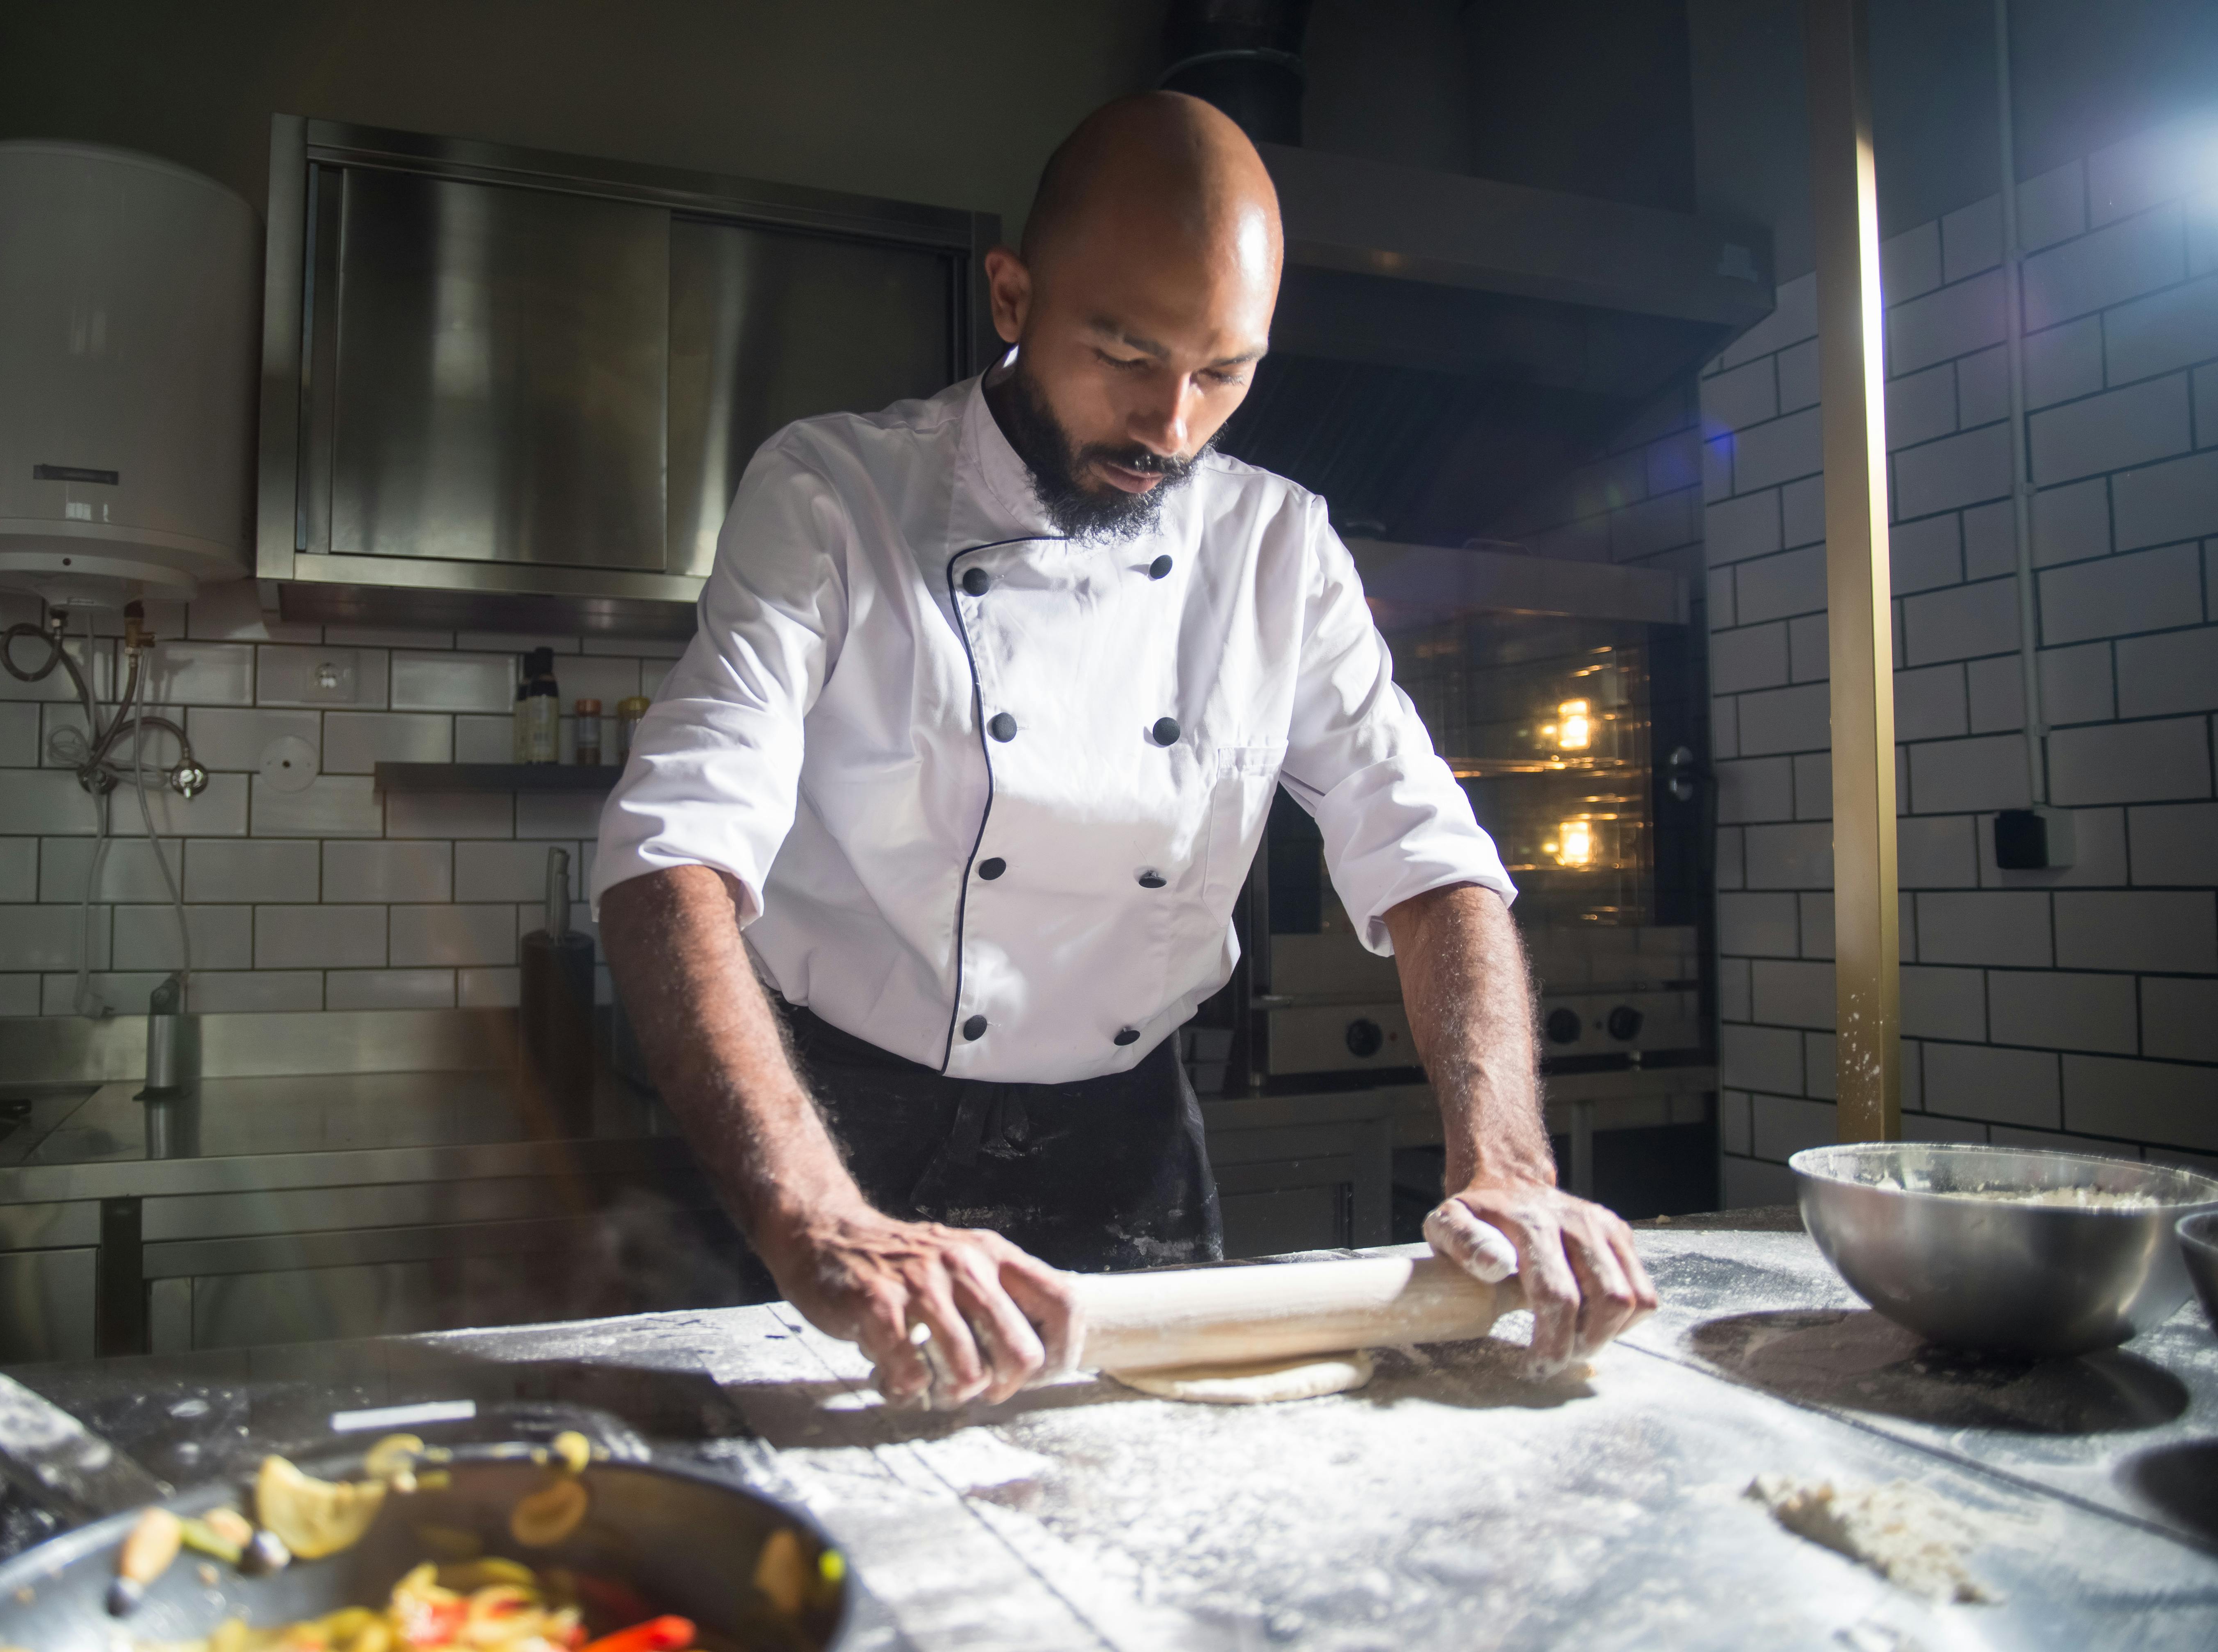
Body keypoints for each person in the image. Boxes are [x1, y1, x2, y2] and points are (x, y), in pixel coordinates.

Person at [595, 90, 1655, 1409]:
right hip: (827, 1126)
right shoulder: (833, 497)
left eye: (1224, 372)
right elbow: (670, 852)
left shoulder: (1277, 548)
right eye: (1127, 352)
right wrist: (816, 1217)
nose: (1170, 428)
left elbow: (1428, 851)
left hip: (1128, 1150)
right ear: (1011, 296)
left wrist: (1506, 1161)